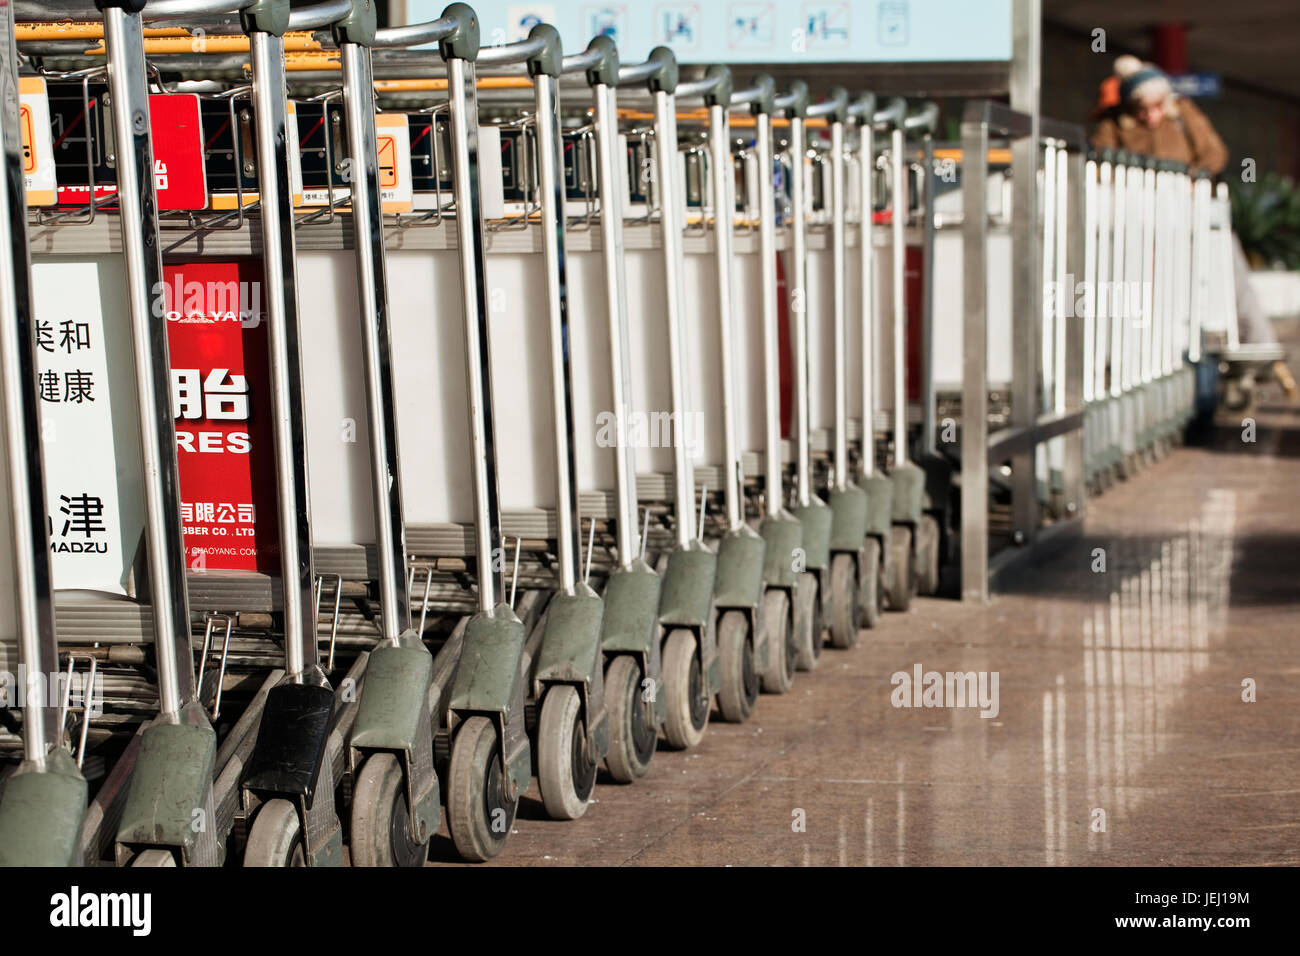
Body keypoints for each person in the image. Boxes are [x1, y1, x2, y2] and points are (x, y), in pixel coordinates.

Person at [1091, 56, 1280, 350]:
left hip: (1192, 208)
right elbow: (1101, 163)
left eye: (1157, 107)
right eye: (1142, 110)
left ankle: (1260, 344)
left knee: (1230, 271)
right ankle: (1149, 347)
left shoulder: (1183, 113)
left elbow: (1215, 153)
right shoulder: (1113, 125)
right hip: (1142, 218)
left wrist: (1193, 179)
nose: (1151, 116)